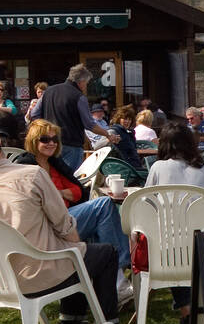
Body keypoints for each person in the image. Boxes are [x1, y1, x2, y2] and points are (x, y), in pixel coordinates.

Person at [0, 126, 134, 324]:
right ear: (0, 148)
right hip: (44, 272)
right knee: (99, 253)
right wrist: (77, 246)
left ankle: (72, 316)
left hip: (5, 278)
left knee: (75, 252)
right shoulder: (31, 174)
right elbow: (63, 224)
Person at [25, 119, 132, 300]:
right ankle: (120, 272)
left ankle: (113, 284)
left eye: (55, 139)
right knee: (103, 206)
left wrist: (57, 193)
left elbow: (77, 192)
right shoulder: (27, 165)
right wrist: (59, 195)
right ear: (34, 141)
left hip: (66, 218)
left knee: (101, 222)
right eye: (45, 139)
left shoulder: (55, 165)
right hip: (49, 225)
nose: (51, 143)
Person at [144, 121, 204, 324]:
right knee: (190, 235)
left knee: (172, 239)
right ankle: (201, 305)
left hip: (167, 253)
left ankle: (186, 309)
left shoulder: (158, 168)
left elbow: (147, 202)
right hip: (201, 246)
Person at [29, 65, 119, 172]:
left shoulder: (48, 91)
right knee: (69, 179)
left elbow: (34, 114)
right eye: (86, 83)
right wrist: (107, 135)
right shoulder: (79, 97)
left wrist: (44, 130)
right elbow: (89, 125)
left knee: (52, 177)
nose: (85, 86)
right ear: (81, 81)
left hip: (50, 142)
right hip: (71, 144)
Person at [108, 105, 144, 171]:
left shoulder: (130, 133)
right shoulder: (114, 130)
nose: (127, 122)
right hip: (123, 168)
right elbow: (97, 146)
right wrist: (109, 139)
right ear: (119, 119)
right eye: (125, 119)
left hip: (134, 166)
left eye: (129, 119)